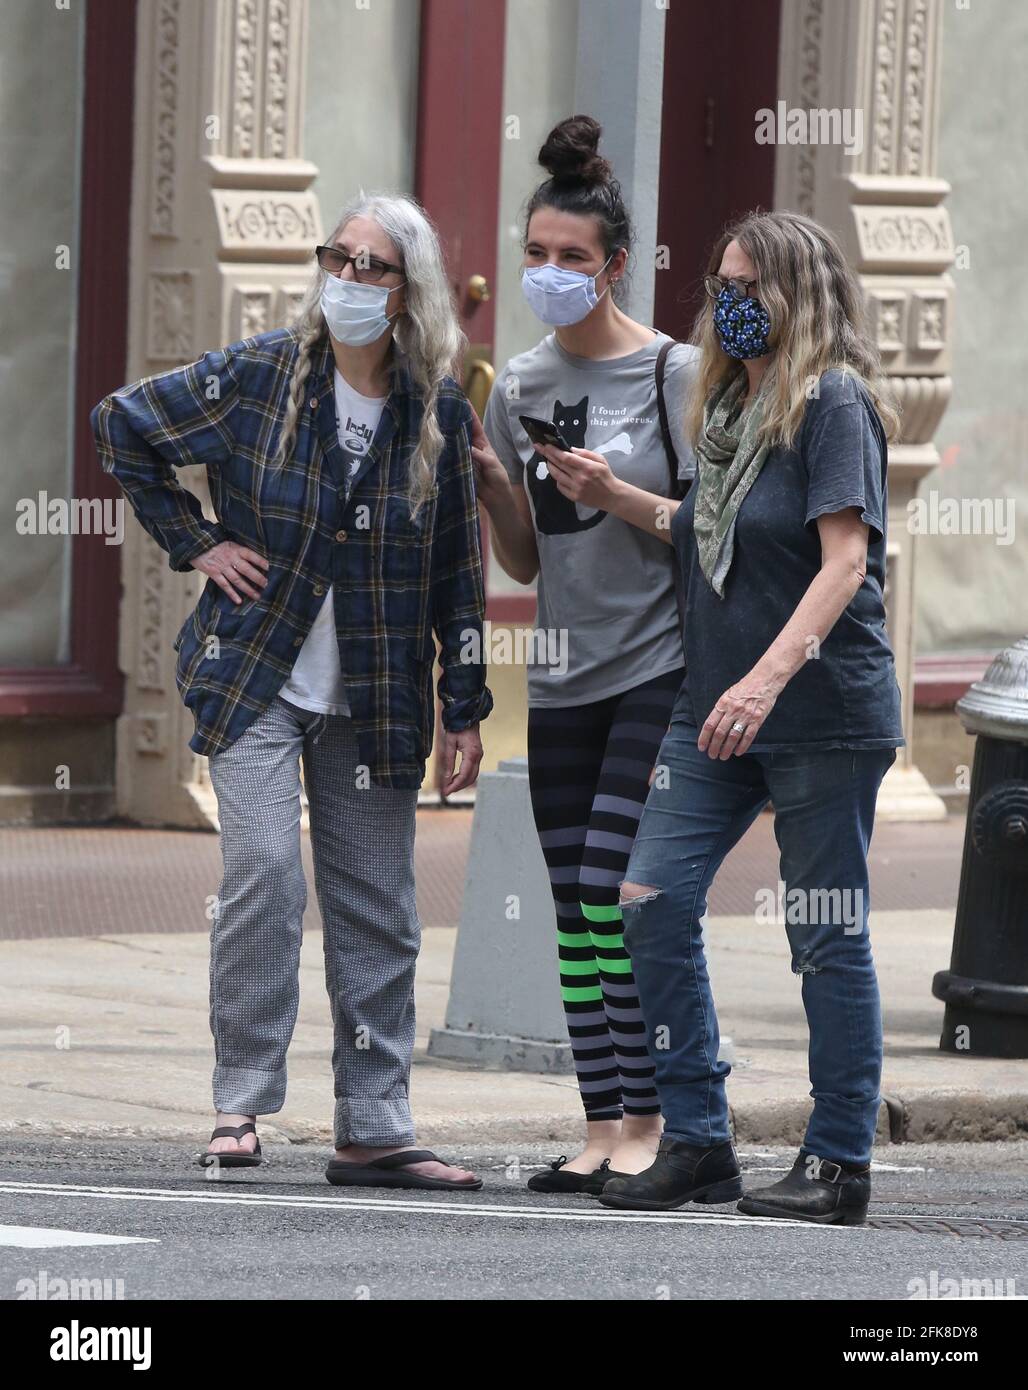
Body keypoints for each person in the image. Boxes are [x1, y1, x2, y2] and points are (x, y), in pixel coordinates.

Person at [92, 193, 493, 1192]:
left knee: (379, 907)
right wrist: (199, 542)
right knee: (265, 873)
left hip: (376, 693)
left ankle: (372, 1122)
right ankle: (240, 1101)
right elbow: (122, 426)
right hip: (257, 673)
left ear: (410, 295)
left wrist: (466, 702)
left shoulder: (436, 410)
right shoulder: (262, 374)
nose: (349, 281)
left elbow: (456, 567)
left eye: (373, 268)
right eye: (338, 259)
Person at [566, 209, 903, 1224]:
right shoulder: (726, 412)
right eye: (719, 284)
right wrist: (613, 493)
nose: (730, 304)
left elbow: (842, 560)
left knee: (821, 933)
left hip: (816, 712)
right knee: (647, 900)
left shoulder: (830, 404)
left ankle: (838, 1160)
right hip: (711, 707)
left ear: (797, 295)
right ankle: (699, 1141)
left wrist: (762, 680)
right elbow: (706, 533)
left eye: (749, 287)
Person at [474, 115, 699, 1194]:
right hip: (558, 674)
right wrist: (495, 486)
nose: (550, 273)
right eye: (535, 254)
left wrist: (618, 496)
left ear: (613, 264)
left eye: (572, 258)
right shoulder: (513, 383)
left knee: (613, 894)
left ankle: (656, 1119)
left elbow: (711, 532)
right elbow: (522, 562)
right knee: (570, 905)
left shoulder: (674, 374)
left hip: (654, 668)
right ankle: (602, 1121)